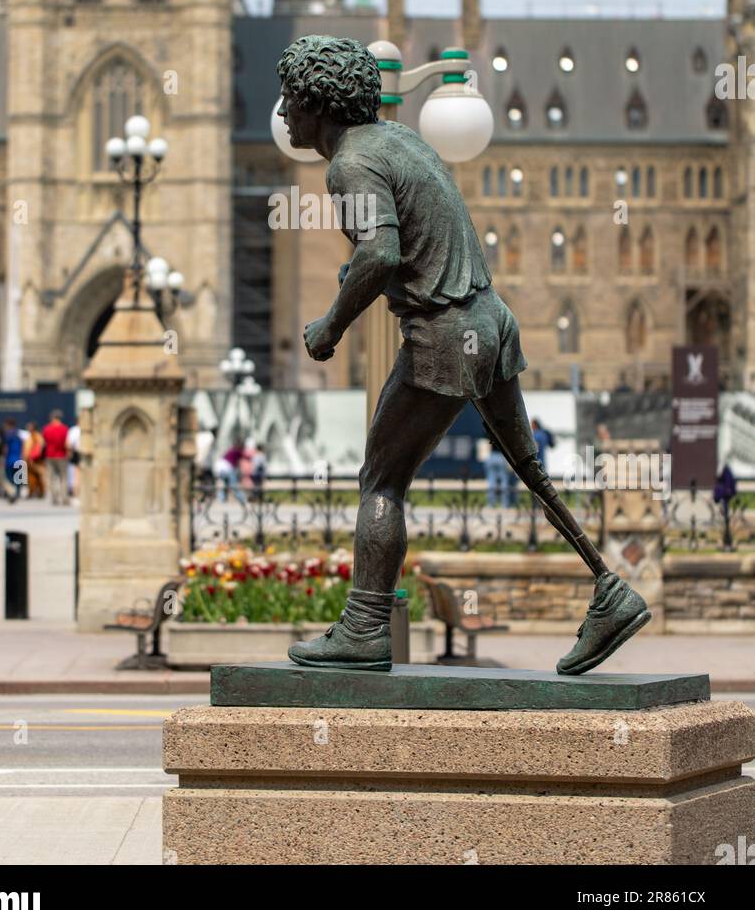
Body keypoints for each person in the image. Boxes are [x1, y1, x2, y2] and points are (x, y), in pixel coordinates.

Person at [278, 35, 650, 675]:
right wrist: (364, 274)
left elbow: (381, 254)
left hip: (444, 334)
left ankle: (365, 628)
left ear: (317, 102)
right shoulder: (403, 142)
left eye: (290, 99)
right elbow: (411, 239)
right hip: (490, 319)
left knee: (382, 479)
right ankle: (611, 591)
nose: (283, 115)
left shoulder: (350, 165)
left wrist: (331, 327)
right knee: (528, 468)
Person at [42, 409, 70, 506]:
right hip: (62, 455)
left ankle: (54, 498)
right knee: (64, 478)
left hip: (50, 456)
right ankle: (64, 498)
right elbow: (67, 444)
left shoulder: (47, 429)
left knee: (51, 477)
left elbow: (44, 442)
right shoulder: (65, 429)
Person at [2, 419, 24, 501]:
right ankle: (17, 493)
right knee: (18, 478)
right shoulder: (20, 434)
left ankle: (11, 493)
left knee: (9, 477)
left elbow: (5, 448)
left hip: (10, 459)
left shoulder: (7, 435)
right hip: (19, 458)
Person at [23, 422, 46, 498]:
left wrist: (28, 458)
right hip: (35, 460)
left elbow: (31, 449)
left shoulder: (34, 437)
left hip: (33, 460)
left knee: (33, 477)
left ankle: (35, 492)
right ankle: (38, 492)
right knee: (35, 477)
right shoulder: (38, 436)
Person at [66, 422, 81, 499]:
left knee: (76, 474)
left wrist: (69, 454)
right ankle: (78, 491)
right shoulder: (75, 430)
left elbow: (68, 444)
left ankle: (76, 492)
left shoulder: (74, 430)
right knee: (78, 474)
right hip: (79, 452)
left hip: (76, 452)